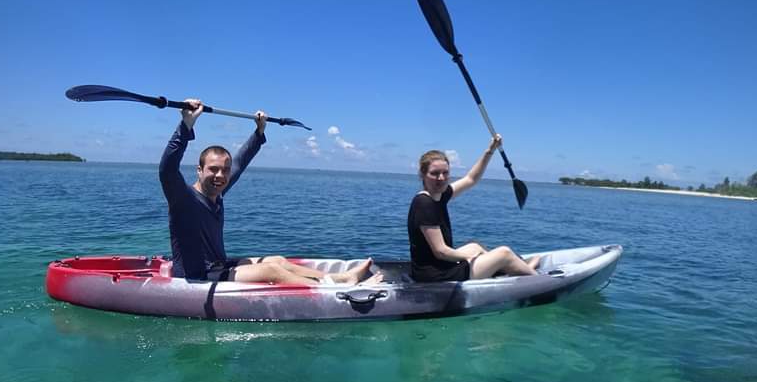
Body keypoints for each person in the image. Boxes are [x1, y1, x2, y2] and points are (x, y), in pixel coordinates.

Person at [160, 98, 381, 285]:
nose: (220, 175)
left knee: (277, 261)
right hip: (197, 276)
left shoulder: (217, 192)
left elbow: (240, 163)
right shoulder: (184, 198)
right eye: (213, 169)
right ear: (199, 170)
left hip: (219, 266)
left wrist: (259, 132)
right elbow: (167, 168)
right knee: (271, 272)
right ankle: (336, 290)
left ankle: (341, 278)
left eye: (224, 170)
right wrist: (186, 125)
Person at [407, 134, 541, 282]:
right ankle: (540, 280)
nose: (441, 178)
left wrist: (490, 150)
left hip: (440, 266)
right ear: (423, 175)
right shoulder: (424, 203)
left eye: (445, 173)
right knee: (504, 252)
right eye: (434, 173)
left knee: (474, 246)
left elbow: (471, 179)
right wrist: (471, 258)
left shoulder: (440, 195)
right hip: (434, 275)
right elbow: (440, 252)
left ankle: (512, 269)